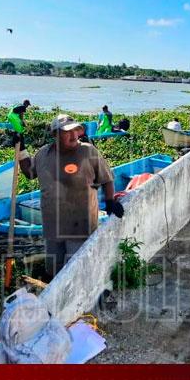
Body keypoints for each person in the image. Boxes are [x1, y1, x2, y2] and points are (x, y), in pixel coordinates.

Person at [17, 115, 123, 276]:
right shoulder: (43, 154)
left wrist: (110, 201)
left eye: (76, 130)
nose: (74, 135)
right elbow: (29, 173)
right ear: (55, 135)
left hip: (80, 226)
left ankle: (89, 299)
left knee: (77, 270)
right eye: (67, 132)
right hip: (53, 225)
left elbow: (107, 179)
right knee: (54, 268)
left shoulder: (88, 151)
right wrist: (21, 150)